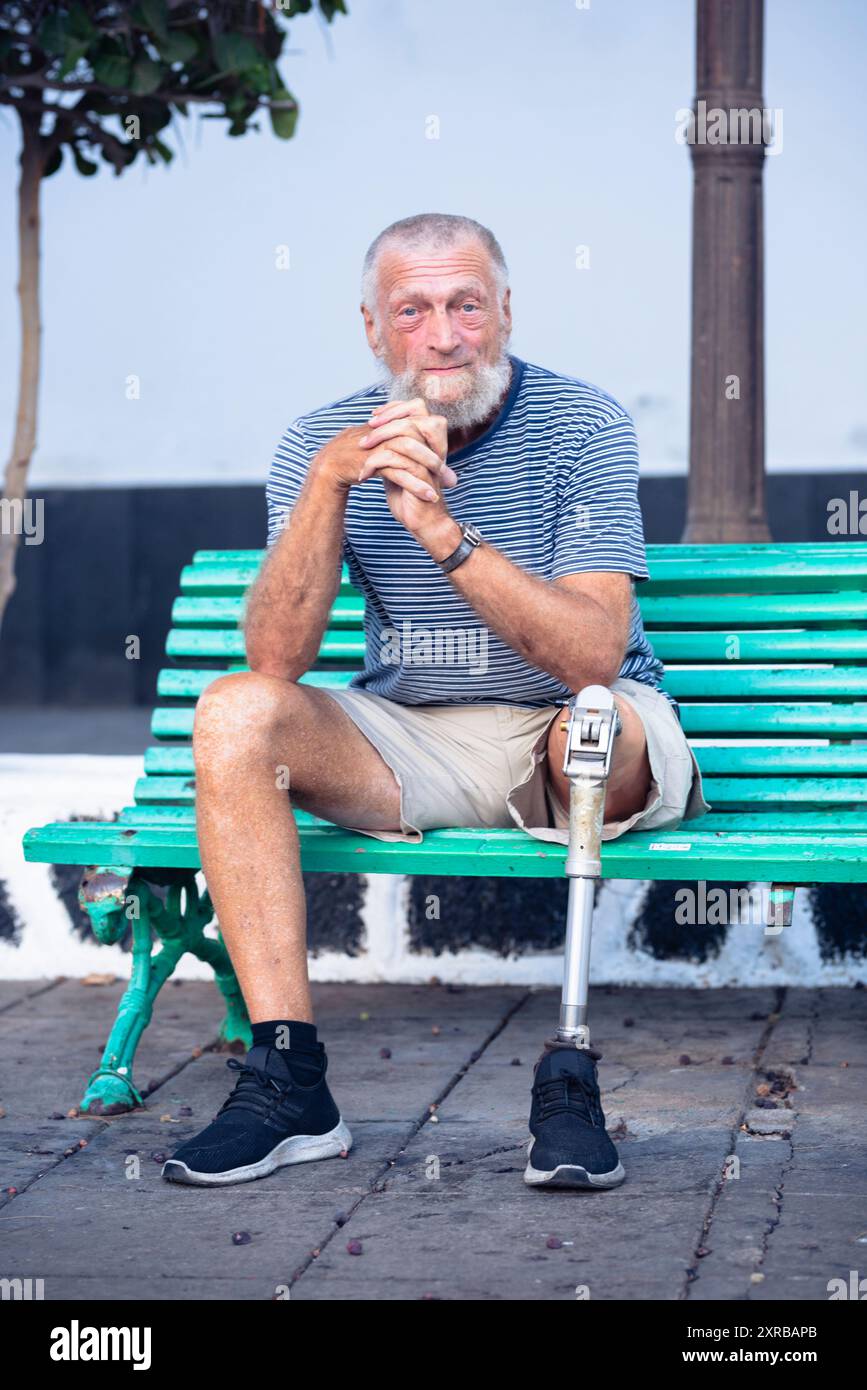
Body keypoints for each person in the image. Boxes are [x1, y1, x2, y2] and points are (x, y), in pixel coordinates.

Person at [162, 213, 709, 1191]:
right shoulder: (316, 444)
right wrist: (333, 482)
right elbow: (276, 656)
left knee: (592, 726)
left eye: (466, 305)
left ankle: (568, 1080)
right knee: (237, 712)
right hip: (412, 737)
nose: (444, 337)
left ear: (506, 313)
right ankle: (289, 1082)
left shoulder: (582, 422)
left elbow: (593, 653)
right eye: (413, 311)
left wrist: (446, 538)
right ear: (374, 330)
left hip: (578, 728)